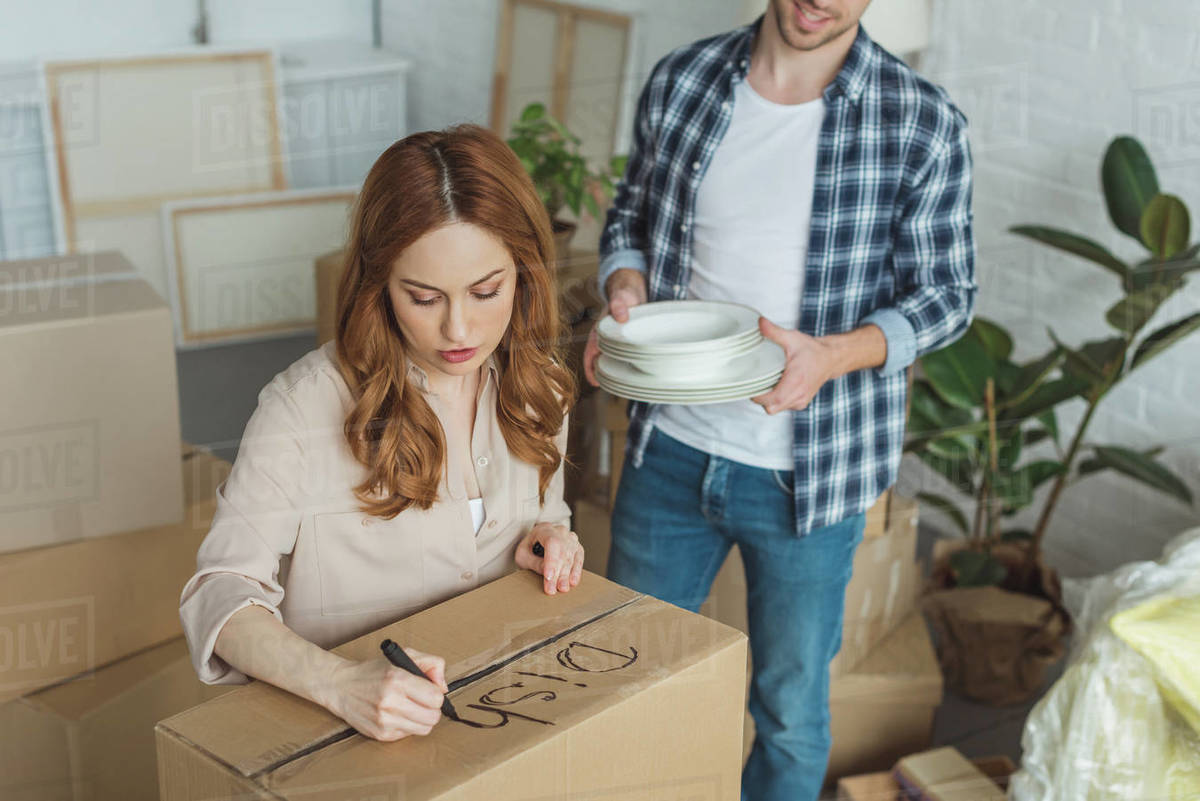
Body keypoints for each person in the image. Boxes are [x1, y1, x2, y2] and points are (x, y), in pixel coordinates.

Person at [585, 2, 975, 799]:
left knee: (790, 710)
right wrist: (625, 281)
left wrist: (833, 354)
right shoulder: (682, 80)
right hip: (670, 451)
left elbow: (948, 296)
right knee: (624, 677)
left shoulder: (923, 122)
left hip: (814, 473)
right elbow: (629, 210)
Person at [180, 124, 584, 744]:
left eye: (485, 292)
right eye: (423, 297)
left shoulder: (541, 387)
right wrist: (340, 684)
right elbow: (220, 599)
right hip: (350, 743)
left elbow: (547, 511)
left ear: (523, 275)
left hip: (500, 718)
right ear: (379, 285)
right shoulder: (302, 407)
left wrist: (551, 535)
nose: (458, 329)